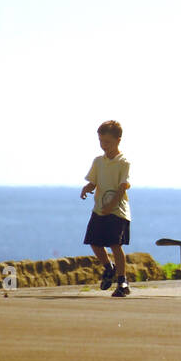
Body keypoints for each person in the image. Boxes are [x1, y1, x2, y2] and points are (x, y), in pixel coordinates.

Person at [80, 120, 132, 297]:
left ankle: (122, 281)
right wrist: (88, 188)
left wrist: (112, 205)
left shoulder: (123, 162)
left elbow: (122, 186)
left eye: (107, 142)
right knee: (94, 243)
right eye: (101, 142)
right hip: (99, 209)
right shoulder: (98, 161)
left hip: (117, 211)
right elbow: (94, 181)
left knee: (115, 245)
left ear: (118, 140)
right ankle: (108, 267)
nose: (104, 146)